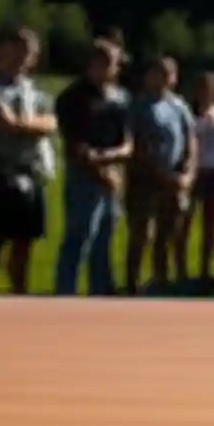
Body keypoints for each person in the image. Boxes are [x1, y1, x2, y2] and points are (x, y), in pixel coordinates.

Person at [54, 38, 132, 295]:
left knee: (105, 238)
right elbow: (76, 144)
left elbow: (127, 141)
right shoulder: (73, 97)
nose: (115, 69)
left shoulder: (121, 97)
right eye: (110, 63)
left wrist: (113, 161)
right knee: (79, 235)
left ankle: (102, 292)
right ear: (95, 63)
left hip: (113, 172)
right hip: (84, 175)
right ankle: (66, 292)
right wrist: (99, 169)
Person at [125, 57, 196, 295]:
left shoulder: (180, 106)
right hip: (145, 179)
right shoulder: (138, 106)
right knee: (141, 233)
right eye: (158, 73)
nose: (163, 78)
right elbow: (137, 144)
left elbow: (191, 141)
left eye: (168, 74)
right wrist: (161, 173)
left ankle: (162, 281)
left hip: (175, 179)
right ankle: (132, 283)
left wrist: (187, 173)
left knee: (168, 232)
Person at [0, 27, 56, 294]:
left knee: (24, 240)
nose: (22, 57)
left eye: (28, 52)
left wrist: (19, 124)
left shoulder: (36, 93)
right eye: (16, 49)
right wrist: (27, 126)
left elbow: (48, 124)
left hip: (28, 171)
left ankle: (20, 295)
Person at [175, 71, 214, 283]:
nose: (208, 93)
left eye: (212, 88)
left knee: (210, 223)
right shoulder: (187, 112)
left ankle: (206, 268)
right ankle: (181, 270)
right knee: (185, 221)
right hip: (193, 172)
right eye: (204, 88)